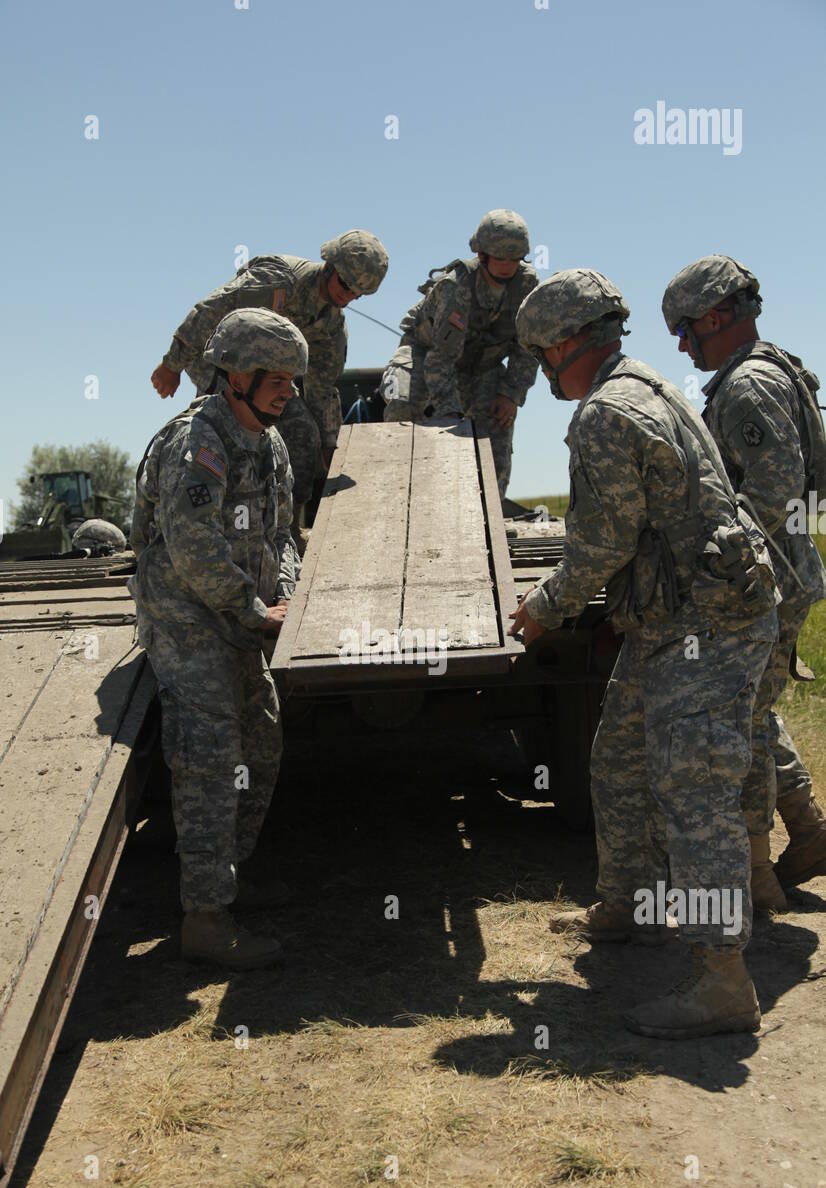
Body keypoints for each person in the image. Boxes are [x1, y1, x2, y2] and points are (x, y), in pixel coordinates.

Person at [510, 269, 779, 1040]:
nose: (540, 370)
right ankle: (626, 904)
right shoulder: (649, 385)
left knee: (695, 798)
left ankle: (722, 981)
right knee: (619, 756)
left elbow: (602, 542)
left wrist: (544, 607)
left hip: (705, 619)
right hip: (674, 613)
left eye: (539, 354)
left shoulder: (606, 413)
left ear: (565, 342)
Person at [130, 308, 308, 970]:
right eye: (276, 377)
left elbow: (284, 532)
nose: (287, 390)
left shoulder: (270, 442)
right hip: (188, 616)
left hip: (243, 615)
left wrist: (283, 594)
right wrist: (257, 610)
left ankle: (229, 878)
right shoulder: (195, 443)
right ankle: (204, 918)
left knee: (262, 743)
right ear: (237, 374)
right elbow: (192, 547)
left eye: (292, 379)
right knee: (209, 756)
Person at [662, 255, 826, 907]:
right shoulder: (774, 371)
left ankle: (756, 885)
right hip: (782, 573)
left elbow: (773, 492)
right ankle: (809, 833)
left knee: (738, 731)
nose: (679, 343)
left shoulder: (748, 386)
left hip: (762, 583)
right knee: (755, 712)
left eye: (683, 328)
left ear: (714, 317)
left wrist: (710, 564)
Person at [150, 230, 389, 527]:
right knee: (237, 430)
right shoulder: (277, 281)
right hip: (222, 363)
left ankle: (286, 529)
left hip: (269, 380)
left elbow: (322, 388)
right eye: (344, 284)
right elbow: (210, 311)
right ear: (330, 266)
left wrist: (327, 442)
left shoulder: (331, 328)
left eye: (357, 293)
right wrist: (171, 364)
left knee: (303, 431)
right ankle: (211, 524)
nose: (348, 296)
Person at [381, 209, 538, 496]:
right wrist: (451, 413)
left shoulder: (527, 286)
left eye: (514, 259)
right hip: (425, 357)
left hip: (482, 366)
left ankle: (490, 511)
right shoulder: (456, 287)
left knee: (499, 422)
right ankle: (396, 496)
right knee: (402, 403)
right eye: (500, 258)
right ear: (482, 255)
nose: (507, 266)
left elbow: (527, 349)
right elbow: (440, 360)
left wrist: (511, 393)